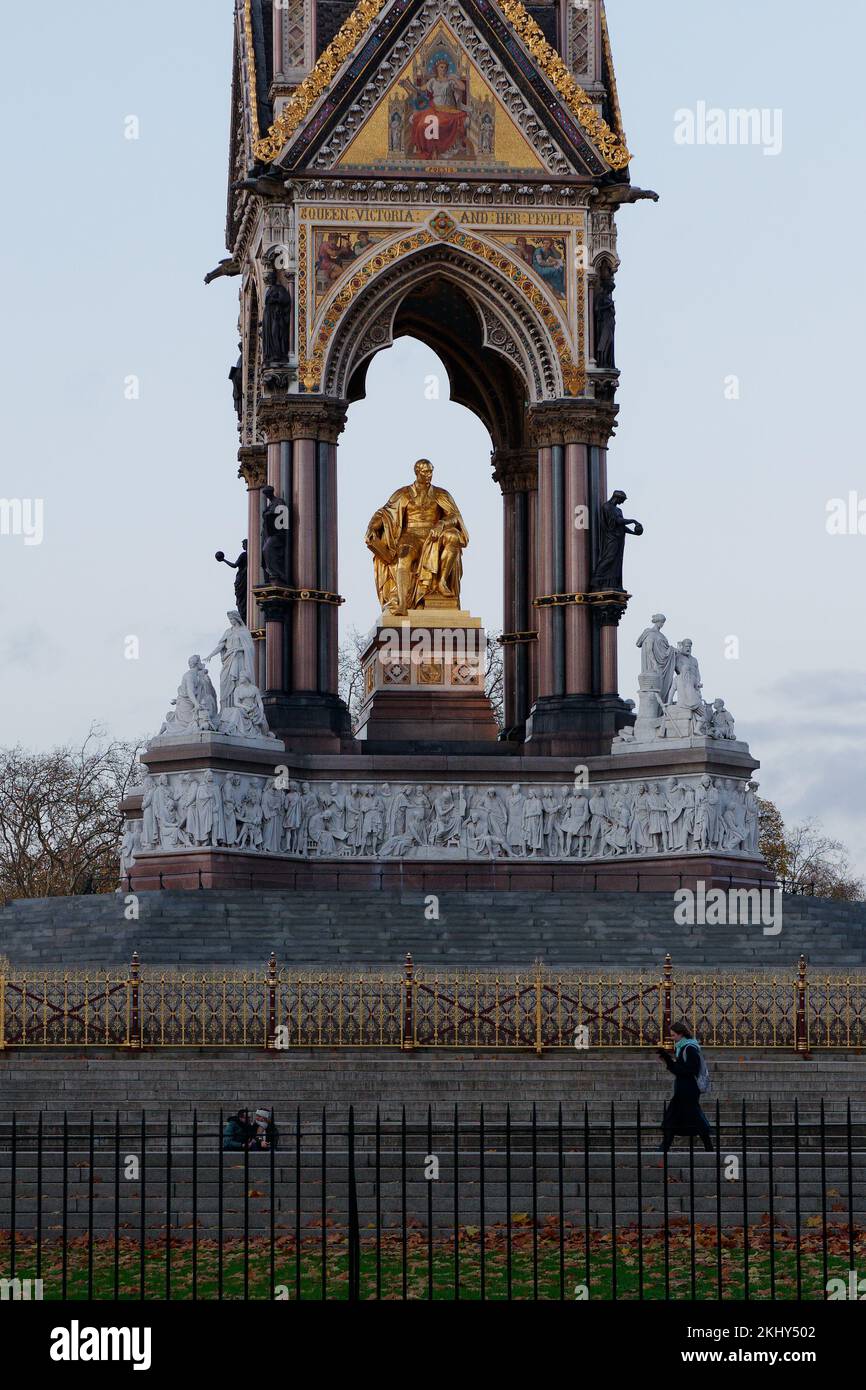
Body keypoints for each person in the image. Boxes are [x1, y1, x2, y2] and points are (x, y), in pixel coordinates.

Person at [655, 1021, 713, 1153]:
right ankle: (663, 1148)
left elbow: (689, 1070)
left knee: (681, 1118)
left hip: (688, 1090)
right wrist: (667, 1058)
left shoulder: (690, 1048)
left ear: (681, 1034)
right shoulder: (682, 1047)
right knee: (675, 1118)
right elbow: (680, 1068)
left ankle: (663, 1149)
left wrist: (668, 1061)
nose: (673, 1038)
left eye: (674, 1035)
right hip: (683, 1089)